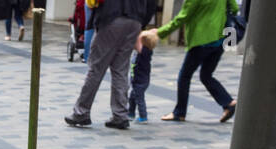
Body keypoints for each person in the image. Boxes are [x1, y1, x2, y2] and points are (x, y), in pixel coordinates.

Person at [142, 0, 238, 122]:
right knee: (206, 75)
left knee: (184, 76)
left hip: (201, 39)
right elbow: (234, 8)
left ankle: (179, 113)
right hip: (219, 38)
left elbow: (183, 16)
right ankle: (228, 103)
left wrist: (160, 32)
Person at [65, 0, 154, 129]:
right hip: (134, 20)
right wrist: (141, 22)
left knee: (95, 68)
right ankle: (120, 115)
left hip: (111, 17)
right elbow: (151, 4)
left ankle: (81, 112)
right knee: (121, 69)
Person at [128, 32, 152, 122]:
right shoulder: (141, 52)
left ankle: (143, 116)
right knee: (132, 97)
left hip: (140, 81)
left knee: (139, 99)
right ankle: (131, 113)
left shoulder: (145, 52)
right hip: (137, 80)